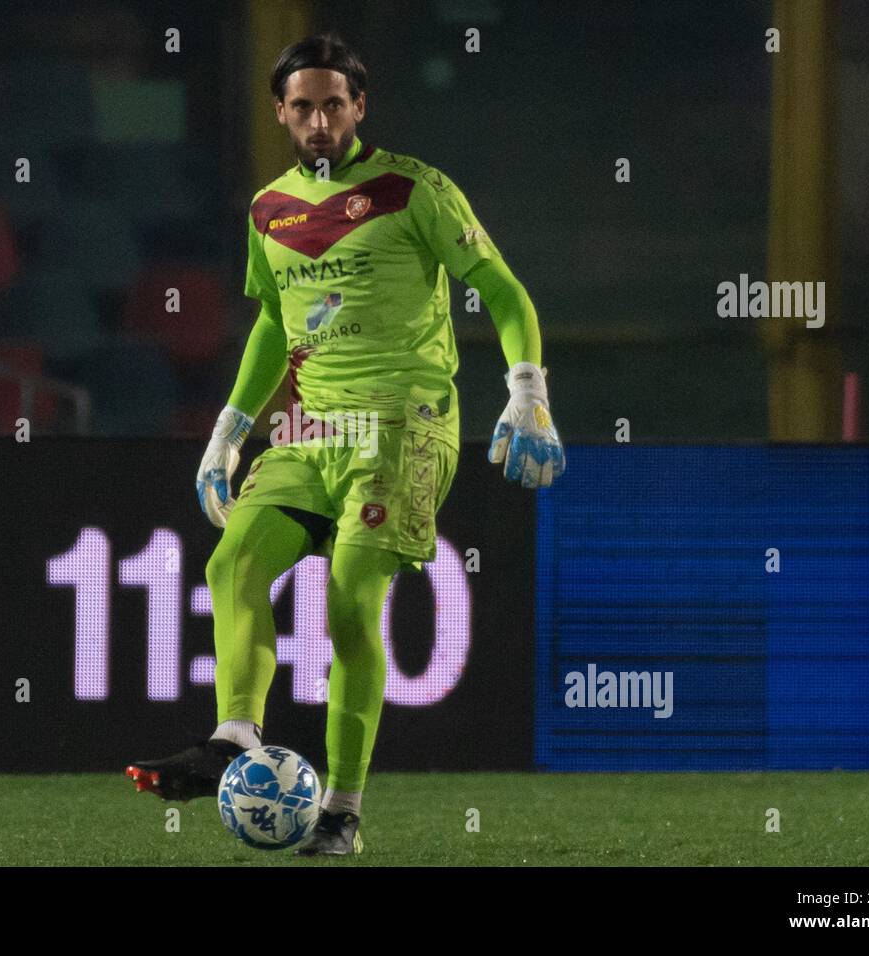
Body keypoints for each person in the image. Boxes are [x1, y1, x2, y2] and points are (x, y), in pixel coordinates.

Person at [126, 31, 565, 856]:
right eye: (303, 107)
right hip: (308, 430)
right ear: (281, 113)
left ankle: (341, 809)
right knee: (231, 563)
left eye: (334, 104)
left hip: (403, 427)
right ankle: (233, 737)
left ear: (359, 106)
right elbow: (271, 322)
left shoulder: (413, 190)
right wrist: (229, 428)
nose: (320, 121)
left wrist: (527, 389)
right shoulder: (267, 210)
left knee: (350, 599)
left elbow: (501, 291)